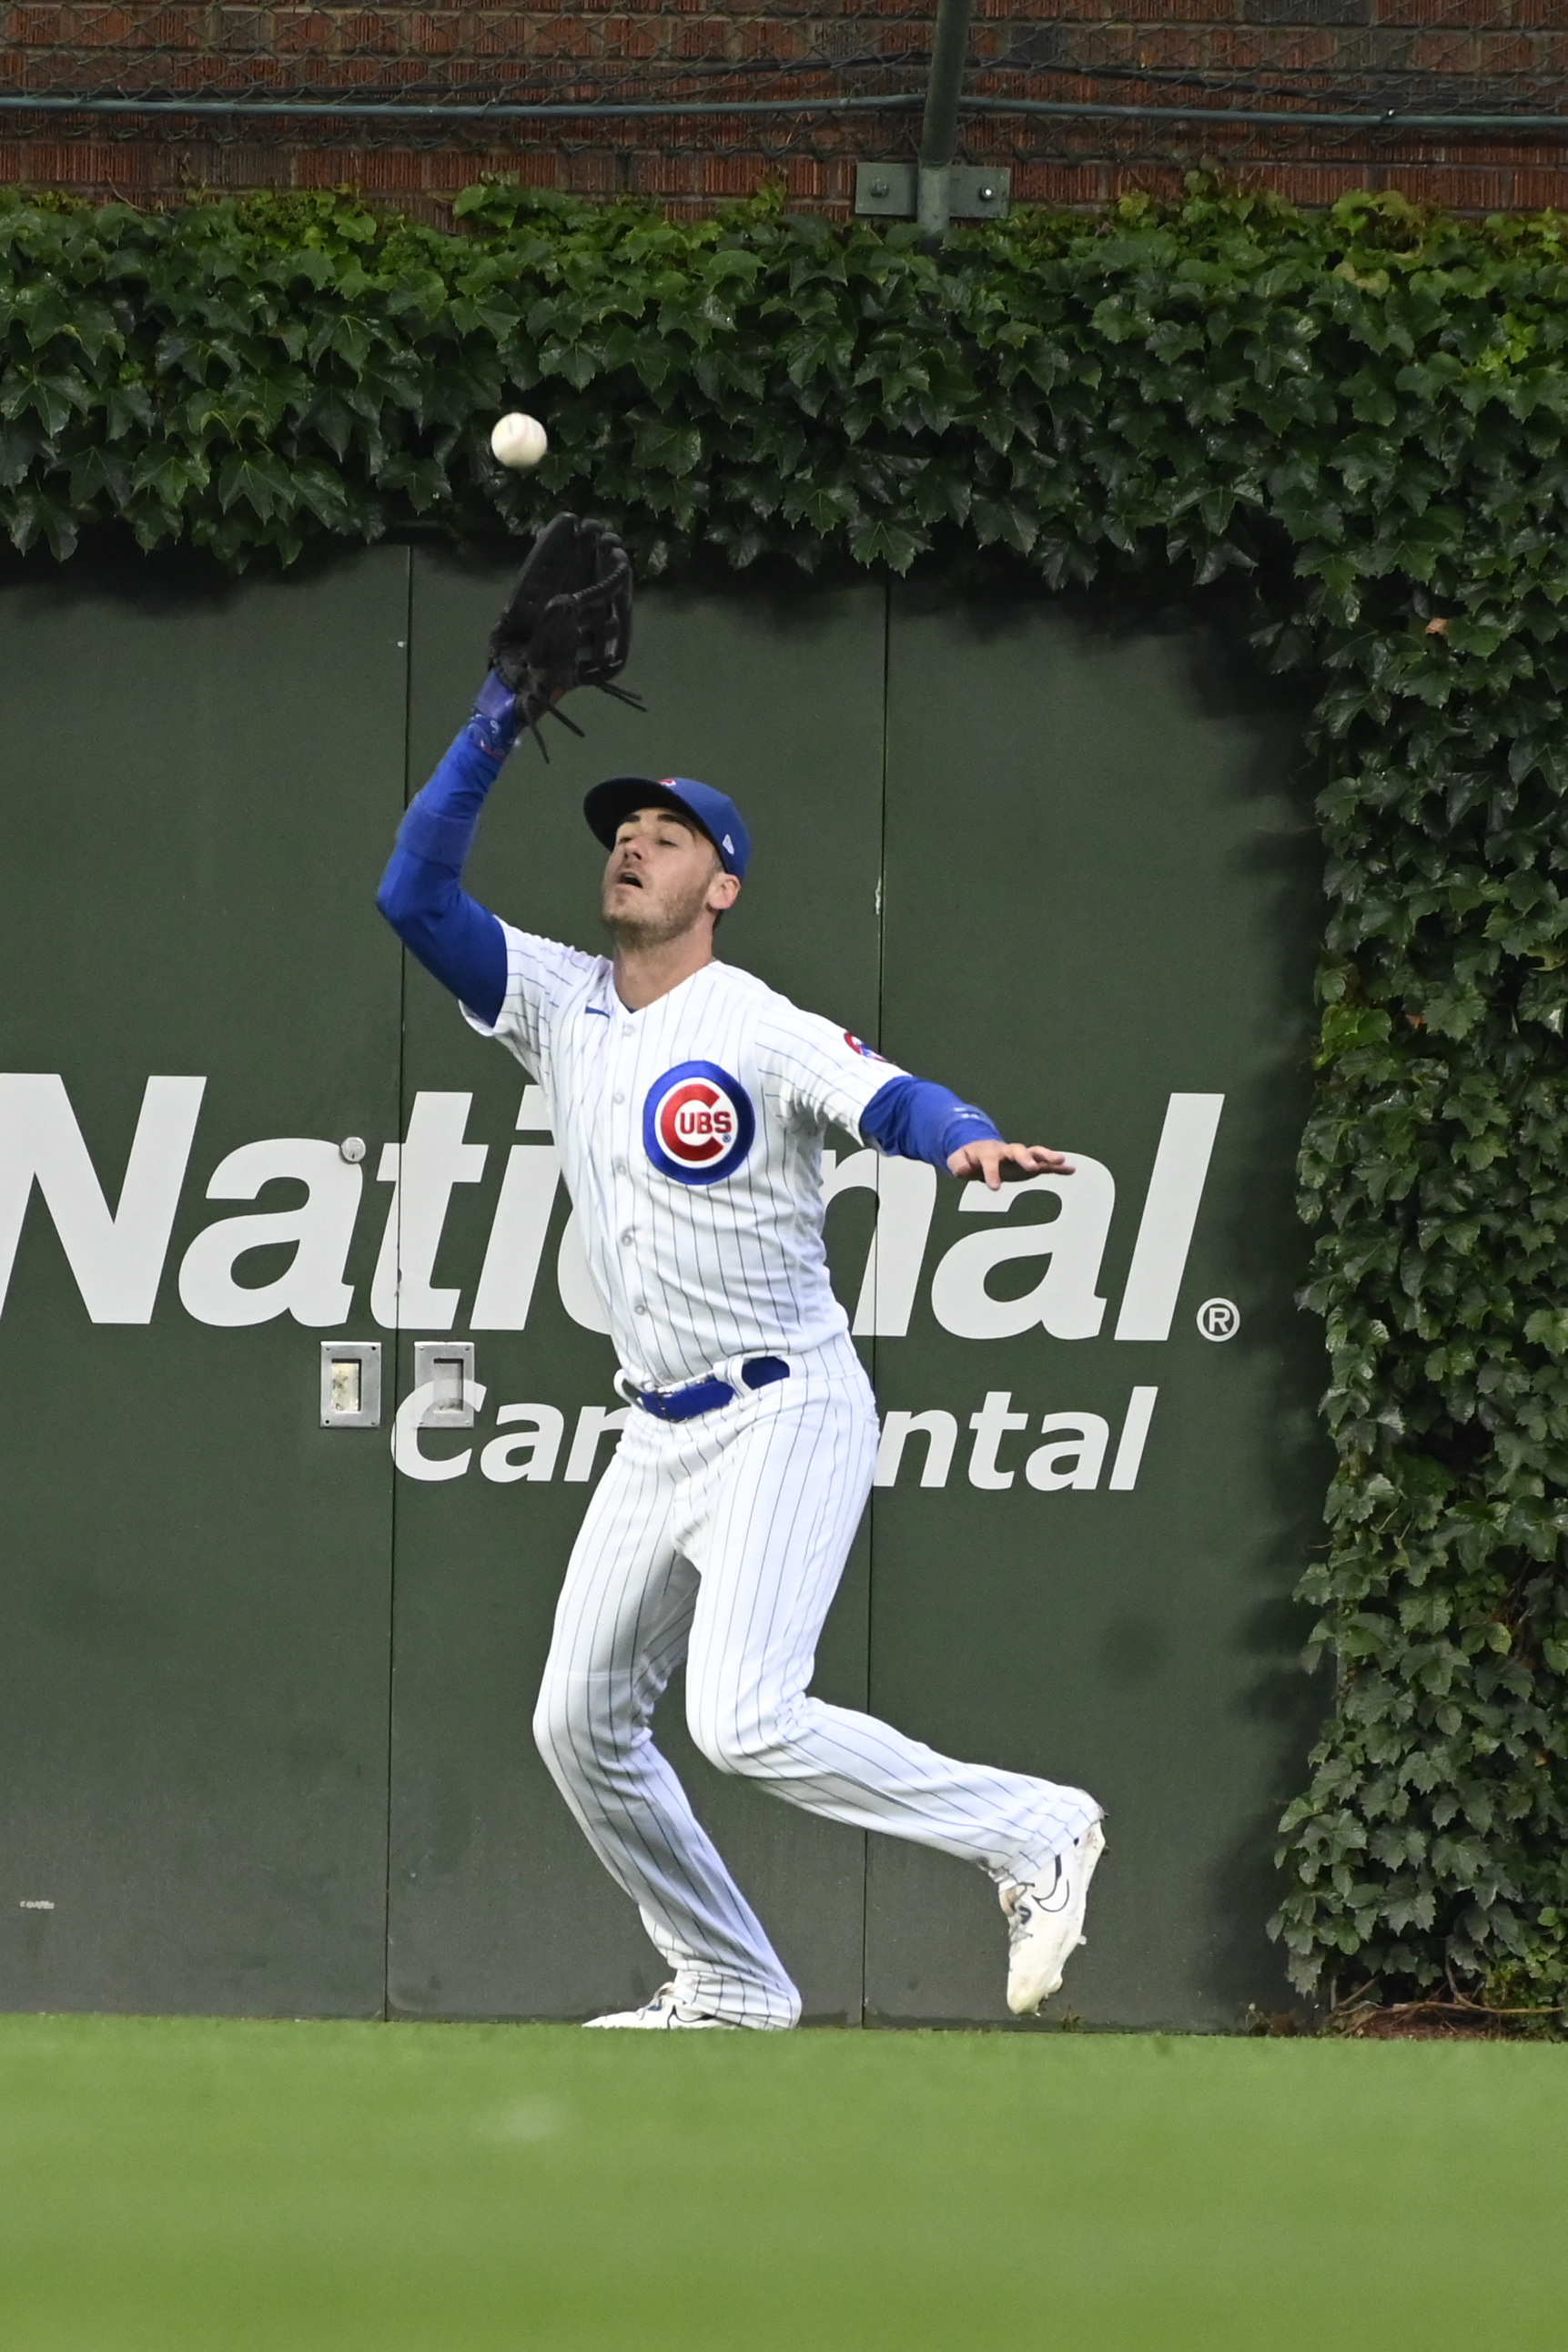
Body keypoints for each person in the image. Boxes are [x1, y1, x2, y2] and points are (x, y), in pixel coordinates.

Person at [376, 654, 1105, 2030]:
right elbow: (412, 897)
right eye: (620, 833)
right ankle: (728, 1977)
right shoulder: (555, 999)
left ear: (722, 886)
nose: (634, 844)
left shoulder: (754, 1023)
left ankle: (1035, 1829)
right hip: (657, 1427)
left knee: (747, 1718)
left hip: (786, 1406)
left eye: (670, 834)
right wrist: (491, 726)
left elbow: (889, 1095)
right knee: (577, 1725)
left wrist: (963, 1145)